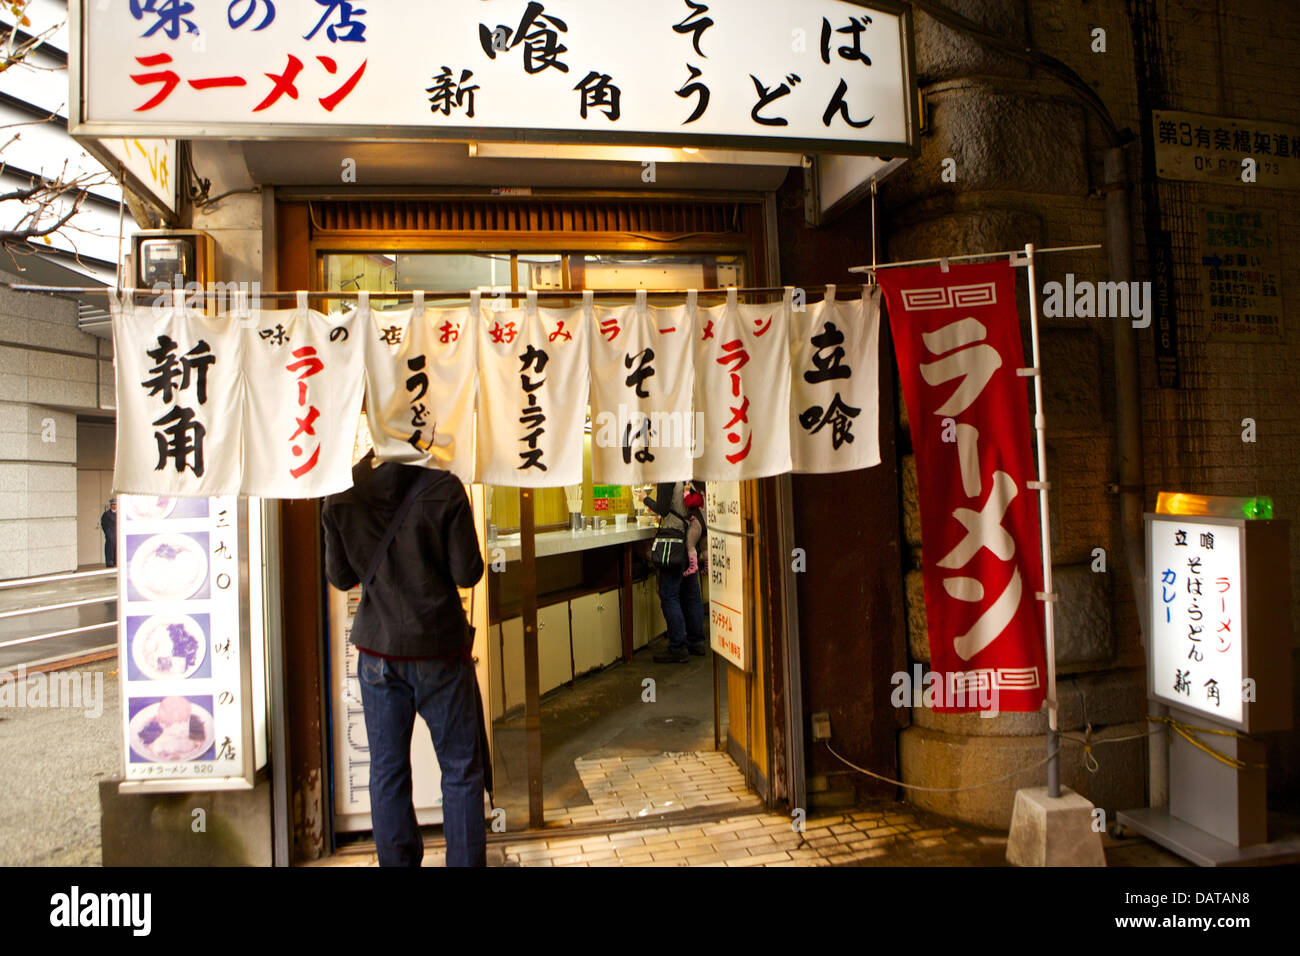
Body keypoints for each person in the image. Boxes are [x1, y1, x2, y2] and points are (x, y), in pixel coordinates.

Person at [322, 452, 487, 867]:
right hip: (440, 651)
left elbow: (341, 578)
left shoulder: (339, 491)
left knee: (388, 770)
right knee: (461, 769)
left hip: (378, 653)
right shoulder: (444, 486)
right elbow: (468, 573)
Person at [642, 481, 707, 663]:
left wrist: (645, 499)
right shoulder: (688, 476)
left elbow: (662, 509)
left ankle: (678, 646)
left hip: (673, 540)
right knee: (691, 593)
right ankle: (696, 642)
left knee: (669, 594)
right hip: (690, 539)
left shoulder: (667, 476)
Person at [100, 499, 117, 568]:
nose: (114, 506)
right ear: (111, 505)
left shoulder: (120, 513)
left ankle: (116, 561)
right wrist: (108, 533)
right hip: (110, 535)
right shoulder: (106, 514)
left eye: (115, 504)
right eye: (113, 504)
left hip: (117, 535)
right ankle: (110, 562)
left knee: (117, 549)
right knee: (110, 549)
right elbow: (104, 525)